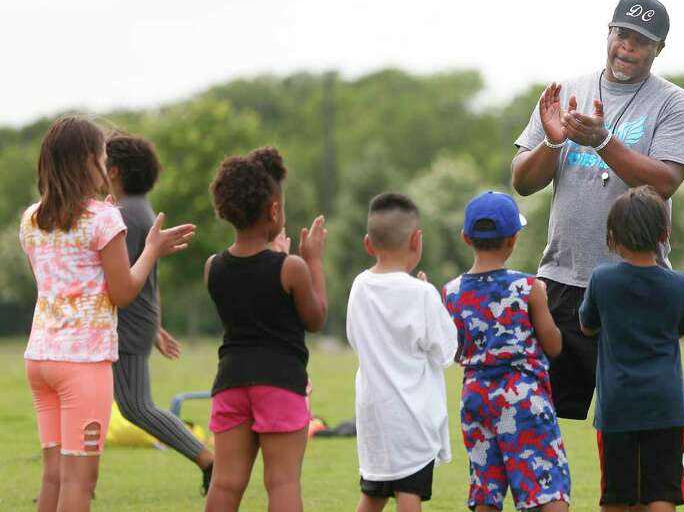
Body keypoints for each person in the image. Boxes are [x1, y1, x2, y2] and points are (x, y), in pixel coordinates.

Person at [511, 0, 684, 420]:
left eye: (641, 41)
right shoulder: (567, 91)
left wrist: (601, 140)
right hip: (563, 278)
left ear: (659, 49)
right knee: (546, 417)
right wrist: (554, 140)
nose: (628, 47)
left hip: (637, 280)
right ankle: (551, 490)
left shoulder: (675, 103)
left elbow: (665, 182)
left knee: (636, 419)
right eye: (622, 35)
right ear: (609, 33)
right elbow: (523, 181)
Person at [20, 115, 194, 512]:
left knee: (53, 476)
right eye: (101, 155)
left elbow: (49, 285)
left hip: (40, 358)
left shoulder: (30, 218)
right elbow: (123, 292)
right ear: (88, 163)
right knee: (81, 482)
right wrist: (150, 250)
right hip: (83, 364)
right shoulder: (103, 218)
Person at [203, 147, 327, 512]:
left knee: (225, 483)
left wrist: (277, 256)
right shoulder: (291, 268)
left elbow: (249, 287)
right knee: (282, 481)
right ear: (274, 211)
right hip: (280, 384)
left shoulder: (213, 267)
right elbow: (315, 318)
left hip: (230, 383)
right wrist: (313, 261)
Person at [443, 191, 570, 512]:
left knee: (486, 486)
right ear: (513, 239)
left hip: (475, 397)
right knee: (547, 485)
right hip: (523, 398)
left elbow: (456, 351)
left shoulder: (451, 292)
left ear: (465, 238)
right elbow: (553, 345)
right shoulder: (530, 288)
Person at [105, 132, 215, 494]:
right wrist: (154, 325)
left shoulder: (125, 214)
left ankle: (208, 459)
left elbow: (128, 275)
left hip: (127, 323)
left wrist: (149, 325)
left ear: (115, 171)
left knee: (136, 406)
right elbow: (145, 268)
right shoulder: (136, 209)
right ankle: (76, 481)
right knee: (96, 402)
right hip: (137, 321)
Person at [579, 186, 684, 511]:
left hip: (617, 405)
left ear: (613, 236)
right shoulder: (679, 283)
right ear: (664, 234)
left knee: (616, 495)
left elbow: (587, 325)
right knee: (662, 493)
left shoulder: (602, 280)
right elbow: (682, 327)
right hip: (666, 404)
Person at [346, 192, 457, 512]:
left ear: (369, 243)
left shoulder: (359, 286)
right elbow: (446, 351)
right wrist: (430, 298)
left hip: (373, 414)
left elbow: (356, 338)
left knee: (374, 492)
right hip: (411, 417)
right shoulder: (421, 294)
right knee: (409, 493)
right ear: (416, 240)